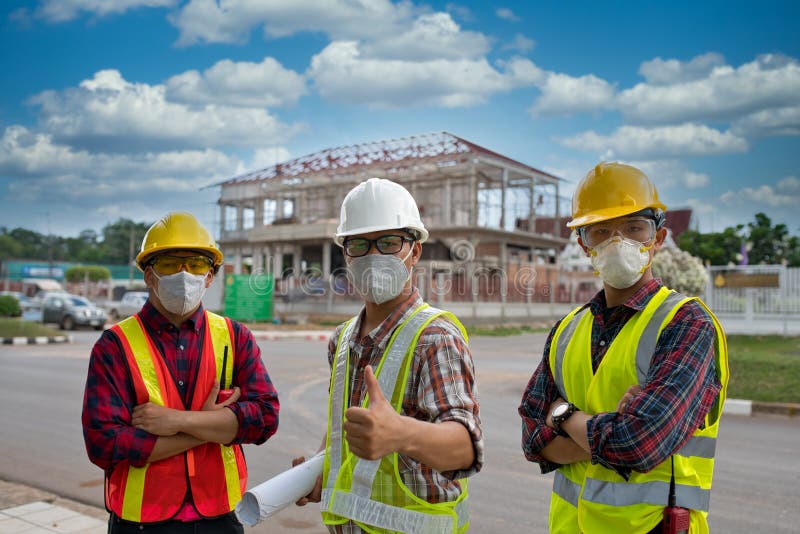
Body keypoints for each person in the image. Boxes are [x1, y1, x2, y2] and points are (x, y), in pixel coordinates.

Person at [518, 163, 729, 534]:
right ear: (584, 245)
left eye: (634, 228)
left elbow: (640, 443)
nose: (618, 243)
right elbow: (532, 439)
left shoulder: (687, 324)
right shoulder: (567, 330)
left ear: (657, 238)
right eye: (601, 231)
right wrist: (611, 427)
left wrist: (563, 415)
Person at [294, 178, 483, 533]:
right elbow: (345, 427)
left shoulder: (435, 338)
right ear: (345, 254)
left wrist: (400, 434)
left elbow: (465, 448)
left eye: (388, 242)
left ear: (415, 251)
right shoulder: (342, 340)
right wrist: (323, 465)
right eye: (359, 244)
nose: (373, 256)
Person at [81, 211, 280, 533]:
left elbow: (265, 419)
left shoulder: (234, 337)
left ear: (210, 276)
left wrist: (177, 421)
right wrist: (213, 424)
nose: (184, 274)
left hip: (221, 517)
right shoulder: (115, 345)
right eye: (170, 263)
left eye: (197, 264)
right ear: (149, 276)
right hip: (141, 522)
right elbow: (104, 443)